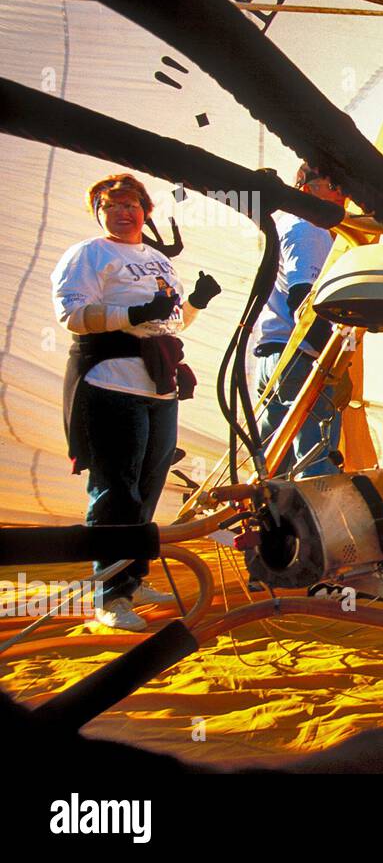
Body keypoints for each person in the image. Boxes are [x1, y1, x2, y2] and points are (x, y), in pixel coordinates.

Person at [52, 174, 221, 631]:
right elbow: (72, 315)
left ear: (145, 211)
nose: (123, 212)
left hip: (158, 387)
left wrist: (196, 304)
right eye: (113, 205)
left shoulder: (158, 260)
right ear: (99, 212)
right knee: (115, 492)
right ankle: (109, 597)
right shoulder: (89, 254)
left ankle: (132, 577)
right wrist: (131, 315)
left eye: (132, 204)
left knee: (147, 486)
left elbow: (170, 325)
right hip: (111, 384)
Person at [252, 162, 344, 478]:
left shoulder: (282, 223)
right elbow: (304, 300)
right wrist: (328, 358)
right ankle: (313, 527)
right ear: (306, 186)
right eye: (333, 184)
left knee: (273, 465)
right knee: (315, 464)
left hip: (273, 353)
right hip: (300, 354)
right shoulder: (309, 227)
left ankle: (269, 523)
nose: (341, 194)